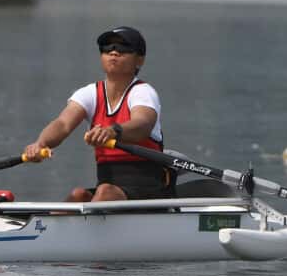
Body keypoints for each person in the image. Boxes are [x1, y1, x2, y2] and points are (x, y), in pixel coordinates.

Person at [23, 26, 174, 201]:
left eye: (123, 49)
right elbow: (63, 124)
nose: (114, 53)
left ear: (139, 60)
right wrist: (40, 143)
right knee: (77, 195)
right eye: (107, 48)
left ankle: (80, 224)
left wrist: (112, 131)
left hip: (147, 189)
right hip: (108, 186)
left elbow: (143, 124)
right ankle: (49, 226)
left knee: (104, 192)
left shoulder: (143, 92)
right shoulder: (90, 93)